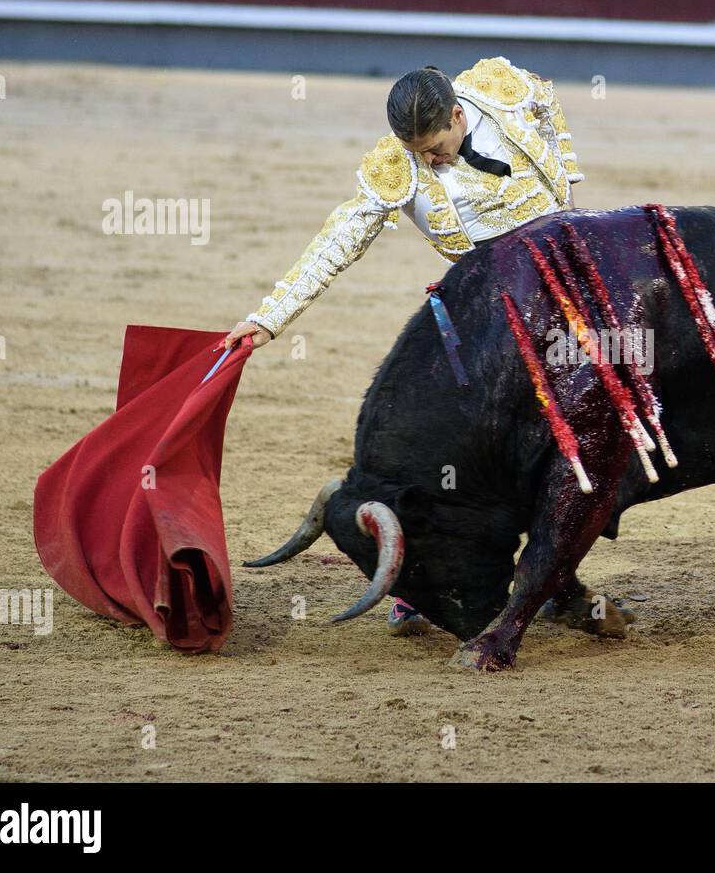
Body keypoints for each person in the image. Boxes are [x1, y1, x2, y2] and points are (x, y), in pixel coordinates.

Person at [222, 56, 583, 634]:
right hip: (486, 306)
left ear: (459, 115)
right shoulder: (398, 168)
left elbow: (545, 97)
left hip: (564, 273)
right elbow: (337, 239)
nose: (430, 161)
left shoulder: (499, 88)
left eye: (437, 148)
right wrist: (268, 320)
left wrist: (567, 175)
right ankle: (429, 577)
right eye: (419, 152)